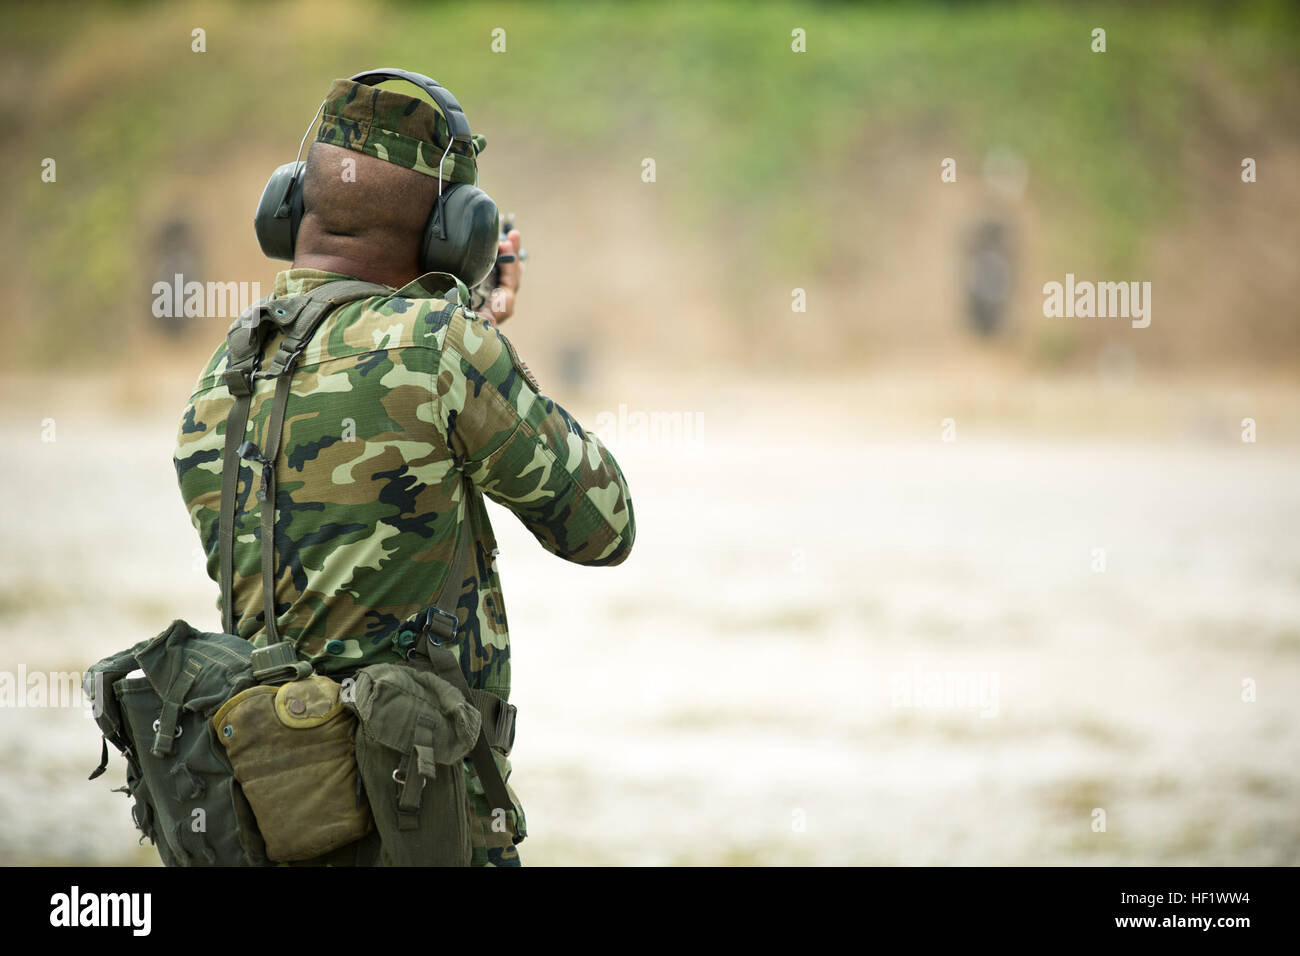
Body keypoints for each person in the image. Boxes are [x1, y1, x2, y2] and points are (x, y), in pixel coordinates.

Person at [172, 76, 636, 866]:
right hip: (419, 820)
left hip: (275, 817)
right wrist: (486, 346)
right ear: (459, 232)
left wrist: (463, 331)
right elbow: (602, 526)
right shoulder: (444, 348)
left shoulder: (222, 380)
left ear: (289, 209)